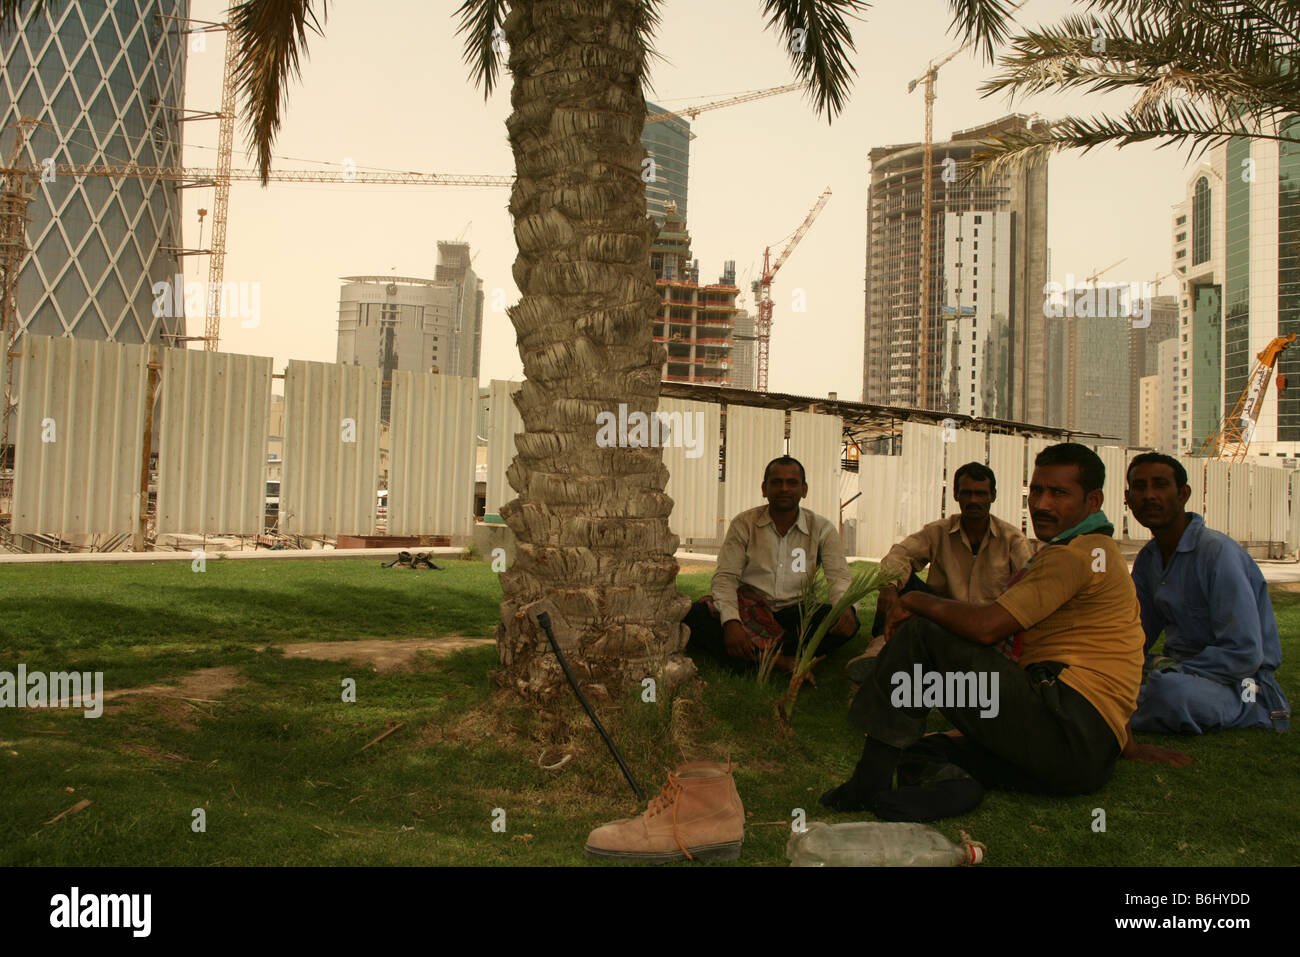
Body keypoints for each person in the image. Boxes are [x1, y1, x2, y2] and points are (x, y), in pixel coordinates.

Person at [821, 443, 1144, 822]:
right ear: (957, 498)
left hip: (1066, 730)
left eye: (1059, 493)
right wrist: (1124, 743)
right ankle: (955, 786)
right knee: (923, 748)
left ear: (1093, 501)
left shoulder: (1071, 554)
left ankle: (868, 783)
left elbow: (988, 628)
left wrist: (915, 601)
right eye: (1036, 491)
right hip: (1086, 758)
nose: (1041, 504)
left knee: (923, 633)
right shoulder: (1095, 549)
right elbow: (1114, 664)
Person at [1122, 452, 1290, 755]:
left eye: (1160, 485)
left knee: (1171, 693)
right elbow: (1135, 636)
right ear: (1128, 499)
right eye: (1140, 487)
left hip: (1240, 684)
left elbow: (1245, 654)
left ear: (1183, 494)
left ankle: (1252, 712)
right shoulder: (1148, 559)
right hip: (1175, 672)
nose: (1149, 496)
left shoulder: (1217, 553)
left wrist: (1172, 670)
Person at [684, 456, 859, 674]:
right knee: (696, 615)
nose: (784, 488)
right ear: (764, 489)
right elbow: (725, 577)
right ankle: (781, 659)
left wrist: (845, 608)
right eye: (776, 482)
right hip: (750, 610)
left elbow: (839, 576)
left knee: (844, 621)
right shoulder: (744, 524)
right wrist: (731, 622)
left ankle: (753, 657)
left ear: (804, 490)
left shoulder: (822, 528)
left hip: (797, 613)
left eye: (792, 483)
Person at [855, 462, 1032, 666]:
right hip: (943, 616)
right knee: (900, 584)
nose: (973, 500)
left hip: (988, 623)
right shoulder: (938, 532)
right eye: (966, 493)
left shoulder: (1012, 539)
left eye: (980, 494)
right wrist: (888, 587)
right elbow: (901, 553)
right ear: (955, 495)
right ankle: (879, 648)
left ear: (992, 496)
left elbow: (1030, 584)